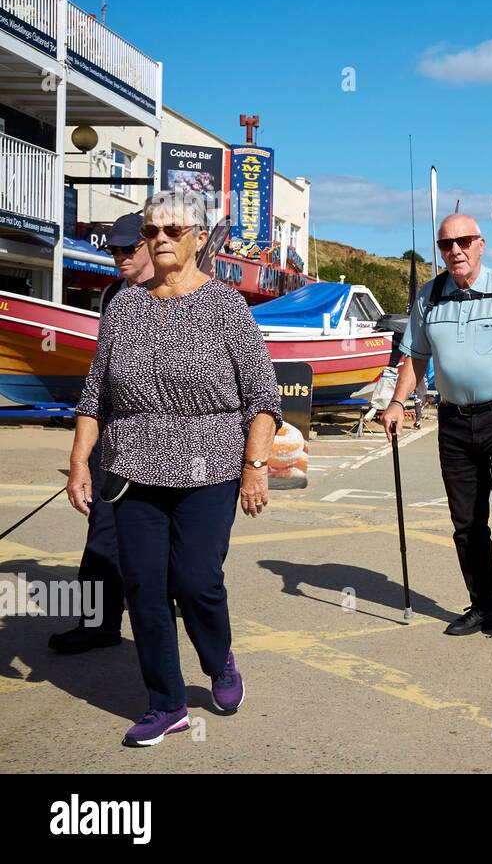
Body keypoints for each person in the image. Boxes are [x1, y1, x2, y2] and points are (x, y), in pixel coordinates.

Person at [69, 190, 283, 747]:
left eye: (171, 230)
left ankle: (219, 660)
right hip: (131, 468)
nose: (158, 239)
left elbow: (262, 396)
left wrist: (255, 467)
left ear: (195, 236)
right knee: (142, 586)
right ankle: (166, 703)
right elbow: (95, 393)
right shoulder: (123, 304)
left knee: (195, 581)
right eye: (150, 231)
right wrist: (77, 462)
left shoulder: (225, 306)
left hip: (209, 466)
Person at [381, 213, 492, 649]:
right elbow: (415, 356)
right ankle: (484, 604)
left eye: (464, 241)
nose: (454, 250)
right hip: (455, 422)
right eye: (446, 244)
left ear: (481, 244)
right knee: (467, 522)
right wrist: (398, 402)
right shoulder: (429, 295)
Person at [49, 213, 154, 654]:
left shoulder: (183, 292)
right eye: (114, 249)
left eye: (130, 248)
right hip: (113, 437)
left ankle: (180, 597)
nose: (120, 256)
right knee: (102, 536)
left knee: (176, 543)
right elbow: (103, 373)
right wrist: (81, 458)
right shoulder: (113, 294)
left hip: (173, 441)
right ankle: (98, 624)